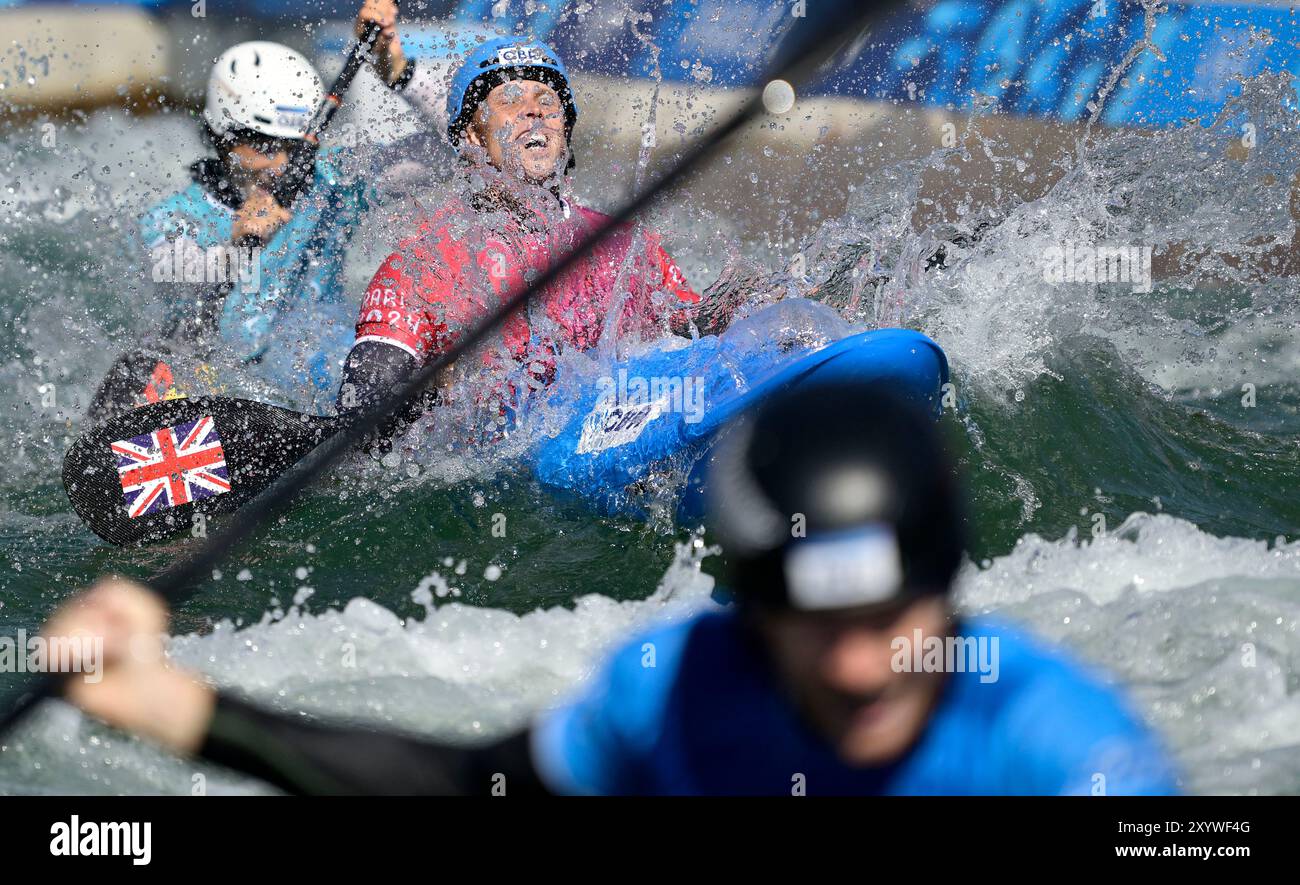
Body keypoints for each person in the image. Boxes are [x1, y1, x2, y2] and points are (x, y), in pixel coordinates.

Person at [40, 381, 1179, 795]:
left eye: (887, 622)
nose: (852, 666)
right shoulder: (673, 691)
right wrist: (177, 711)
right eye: (806, 623)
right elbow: (463, 787)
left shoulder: (1058, 747)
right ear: (745, 603)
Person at [333, 35, 737, 439]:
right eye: (509, 99)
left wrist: (751, 303)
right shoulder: (422, 267)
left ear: (565, 130)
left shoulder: (625, 245)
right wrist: (433, 391)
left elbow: (695, 325)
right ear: (473, 136)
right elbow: (366, 402)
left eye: (547, 100)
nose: (534, 111)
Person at [130, 1, 440, 413]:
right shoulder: (169, 219)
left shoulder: (333, 181)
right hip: (231, 388)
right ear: (219, 135)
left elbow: (450, 150)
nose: (279, 164)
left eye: (292, 147)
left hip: (330, 364)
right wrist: (237, 248)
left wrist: (398, 72)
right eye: (262, 144)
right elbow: (178, 281)